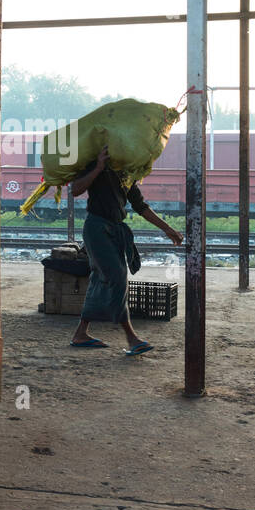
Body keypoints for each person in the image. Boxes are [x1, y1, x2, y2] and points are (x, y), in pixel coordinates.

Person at [69, 145, 184, 355]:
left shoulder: (127, 175)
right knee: (117, 276)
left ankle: (80, 333)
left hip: (114, 230)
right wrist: (98, 168)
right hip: (96, 228)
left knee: (100, 278)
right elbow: (75, 189)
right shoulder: (97, 165)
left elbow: (141, 206)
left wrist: (168, 229)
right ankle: (131, 337)